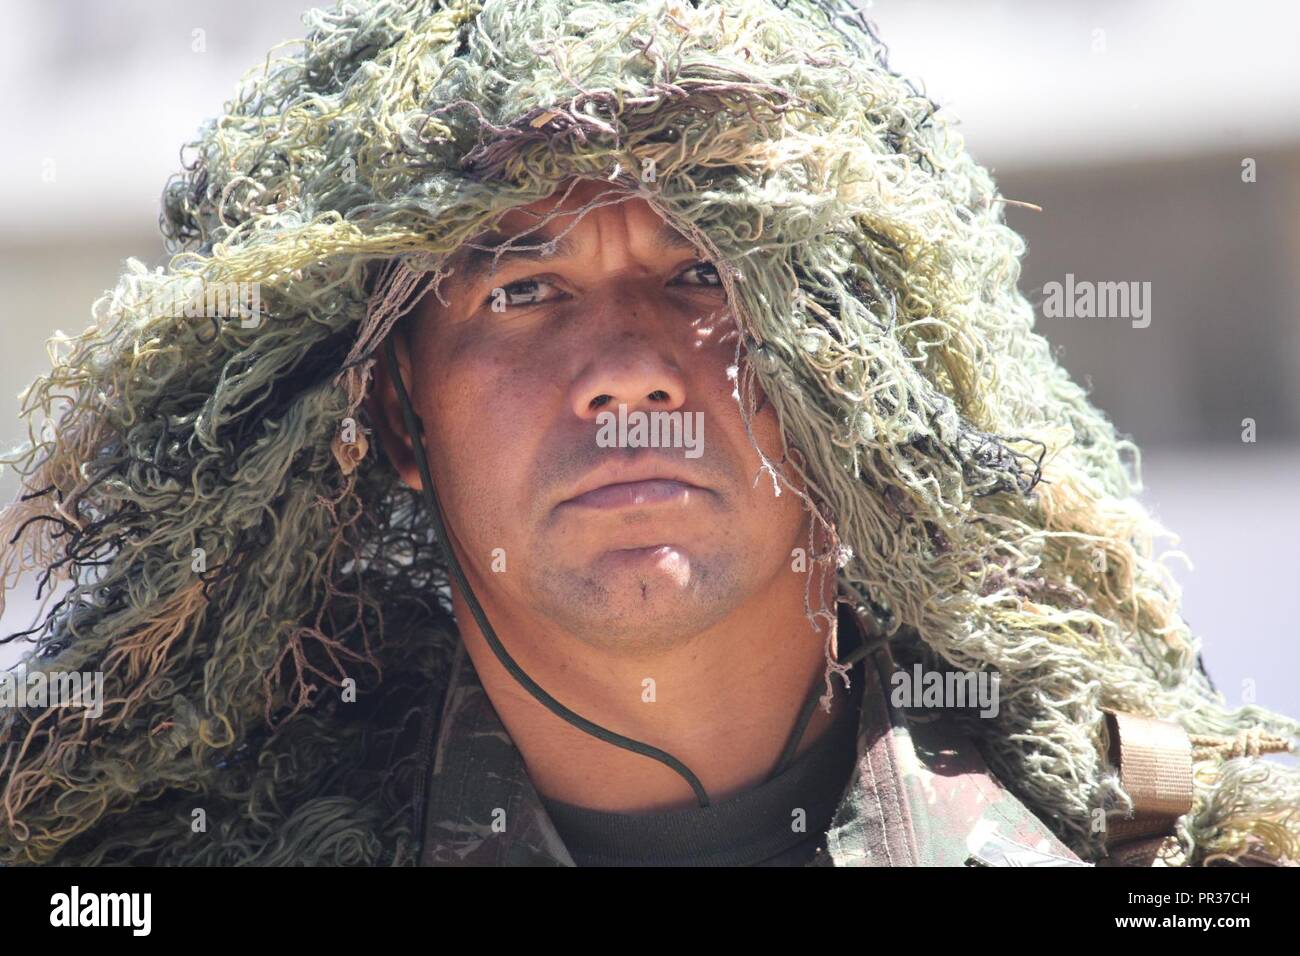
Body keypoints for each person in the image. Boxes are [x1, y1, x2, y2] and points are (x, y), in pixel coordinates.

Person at [1, 0, 1296, 868]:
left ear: (837, 370)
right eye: (522, 294)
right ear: (396, 415)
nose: (626, 371)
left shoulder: (1169, 851)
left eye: (703, 282)